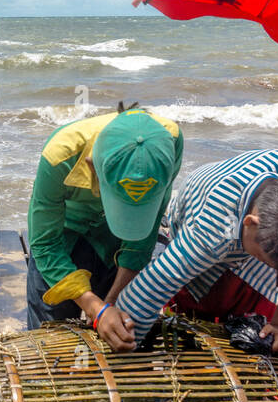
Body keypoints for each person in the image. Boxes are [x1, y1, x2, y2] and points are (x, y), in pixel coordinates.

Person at [110, 148, 278, 353]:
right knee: (192, 328)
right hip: (197, 218)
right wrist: (123, 337)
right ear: (250, 223)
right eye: (269, 263)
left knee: (254, 333)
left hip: (250, 233)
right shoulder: (211, 228)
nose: (276, 276)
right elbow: (152, 288)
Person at [26, 107, 184, 348]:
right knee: (48, 336)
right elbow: (46, 243)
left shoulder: (168, 142)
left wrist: (109, 304)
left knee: (125, 329)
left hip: (114, 244)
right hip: (65, 235)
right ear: (92, 167)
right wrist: (95, 308)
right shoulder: (60, 154)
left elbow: (143, 237)